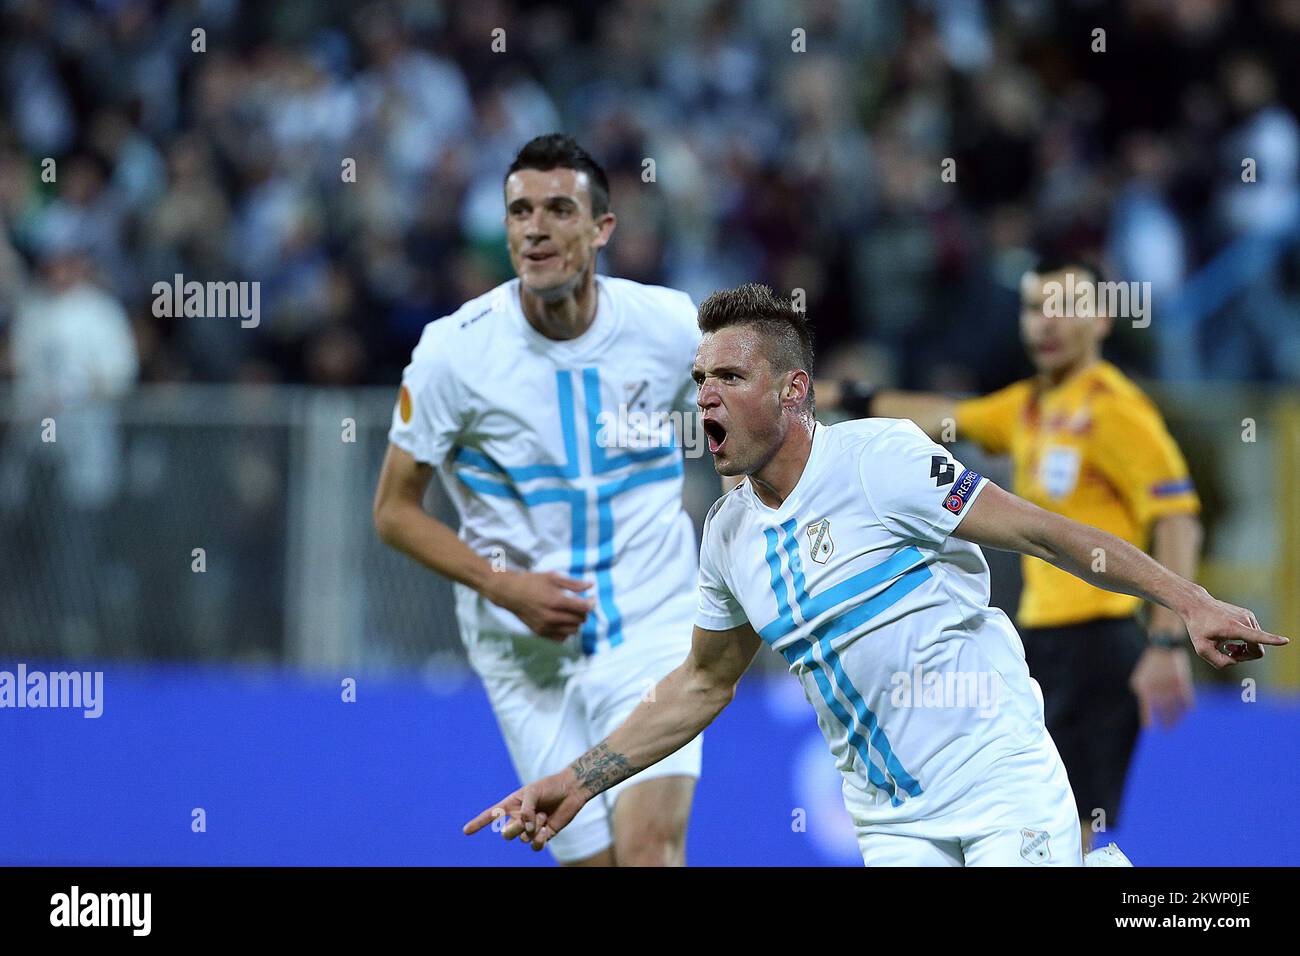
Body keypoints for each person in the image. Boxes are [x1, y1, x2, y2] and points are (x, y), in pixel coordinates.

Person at [463, 283, 1285, 867]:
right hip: (889, 824)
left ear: (793, 391)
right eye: (699, 382)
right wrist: (577, 779)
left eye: (729, 379)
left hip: (995, 772)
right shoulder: (726, 538)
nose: (705, 400)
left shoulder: (881, 460)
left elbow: (1042, 531)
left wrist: (1190, 602)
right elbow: (702, 684)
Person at [374, 134, 708, 866]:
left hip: (649, 622)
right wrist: (505, 585)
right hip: (524, 653)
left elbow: (740, 423)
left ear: (602, 229)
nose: (535, 228)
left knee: (650, 853)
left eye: (559, 209)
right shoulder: (453, 354)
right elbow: (394, 511)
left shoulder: (670, 325)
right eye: (520, 211)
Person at [819, 255, 1201, 851]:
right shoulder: (1029, 405)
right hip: (1038, 646)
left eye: (1064, 308)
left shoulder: (1116, 409)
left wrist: (1166, 639)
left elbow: (1178, 520)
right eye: (1032, 308)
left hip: (1099, 647)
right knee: (1040, 838)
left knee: (1063, 836)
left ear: (1103, 320)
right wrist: (847, 396)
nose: (1044, 324)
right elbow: (944, 416)